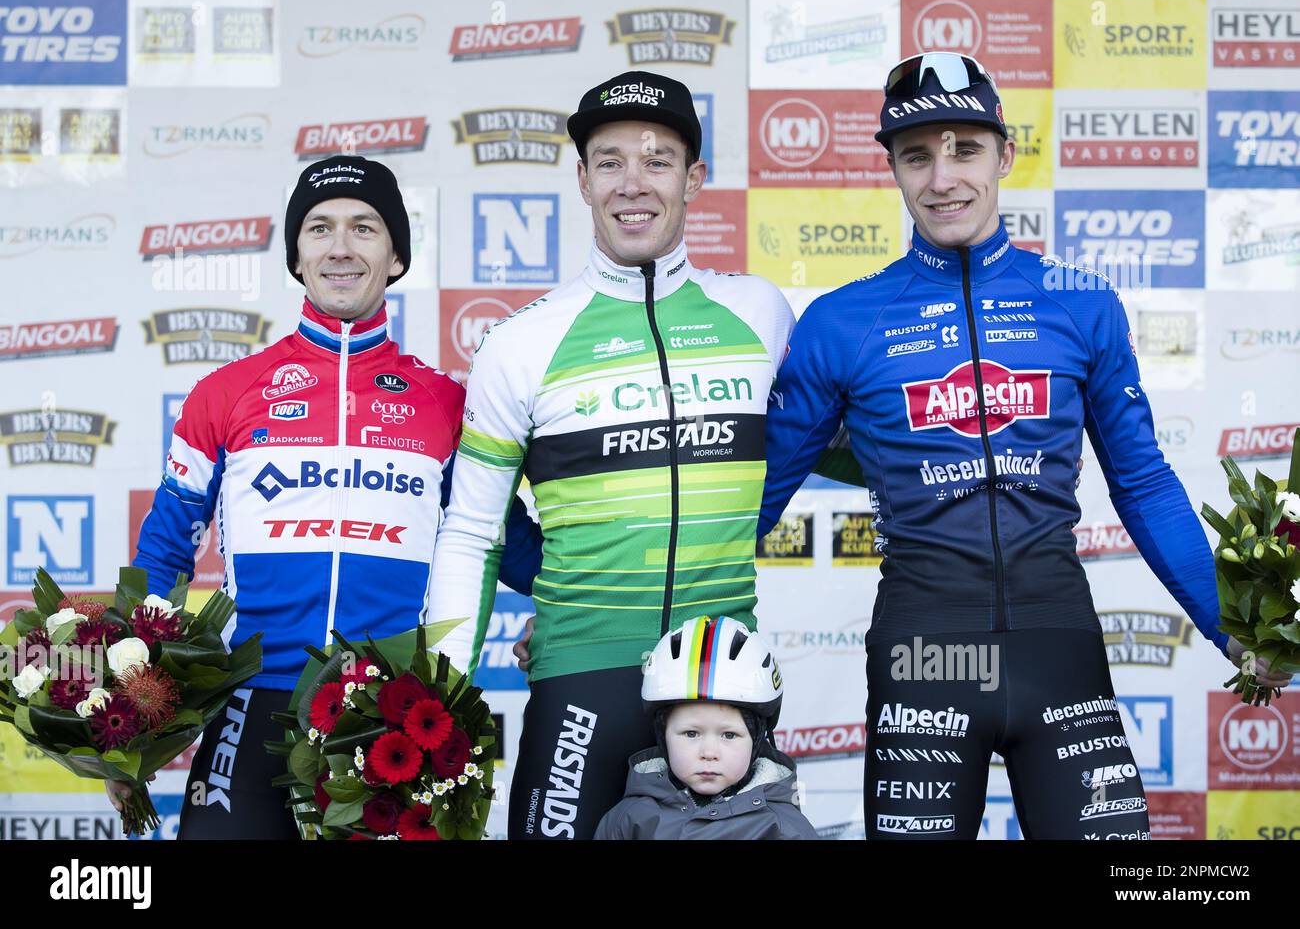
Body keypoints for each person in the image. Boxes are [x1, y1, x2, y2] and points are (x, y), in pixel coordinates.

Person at [757, 52, 1291, 840]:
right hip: (924, 655)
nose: (943, 179)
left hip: (1057, 645)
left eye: (965, 149)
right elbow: (753, 496)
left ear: (1005, 154)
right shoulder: (842, 321)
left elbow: (1142, 484)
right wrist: (616, 614)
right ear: (894, 169)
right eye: (917, 156)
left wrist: (1238, 630)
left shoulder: (1081, 302)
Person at [112, 155, 541, 839]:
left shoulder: (446, 404)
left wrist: (567, 616)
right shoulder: (226, 393)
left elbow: (509, 545)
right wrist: (125, 696)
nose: (341, 247)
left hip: (391, 716)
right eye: (319, 228)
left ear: (396, 255)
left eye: (364, 227)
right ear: (297, 256)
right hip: (254, 700)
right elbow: (165, 547)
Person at [427, 70, 796, 840]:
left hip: (719, 684)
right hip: (581, 675)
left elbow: (835, 444)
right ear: (583, 179)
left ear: (694, 179)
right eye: (611, 160)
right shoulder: (521, 342)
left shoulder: (760, 313)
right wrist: (446, 685)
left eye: (658, 161)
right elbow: (472, 531)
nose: (634, 183)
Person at [595, 616, 818, 840]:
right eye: (691, 733)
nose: (709, 753)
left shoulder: (782, 829)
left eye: (729, 735)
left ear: (757, 739)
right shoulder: (630, 818)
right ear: (662, 736)